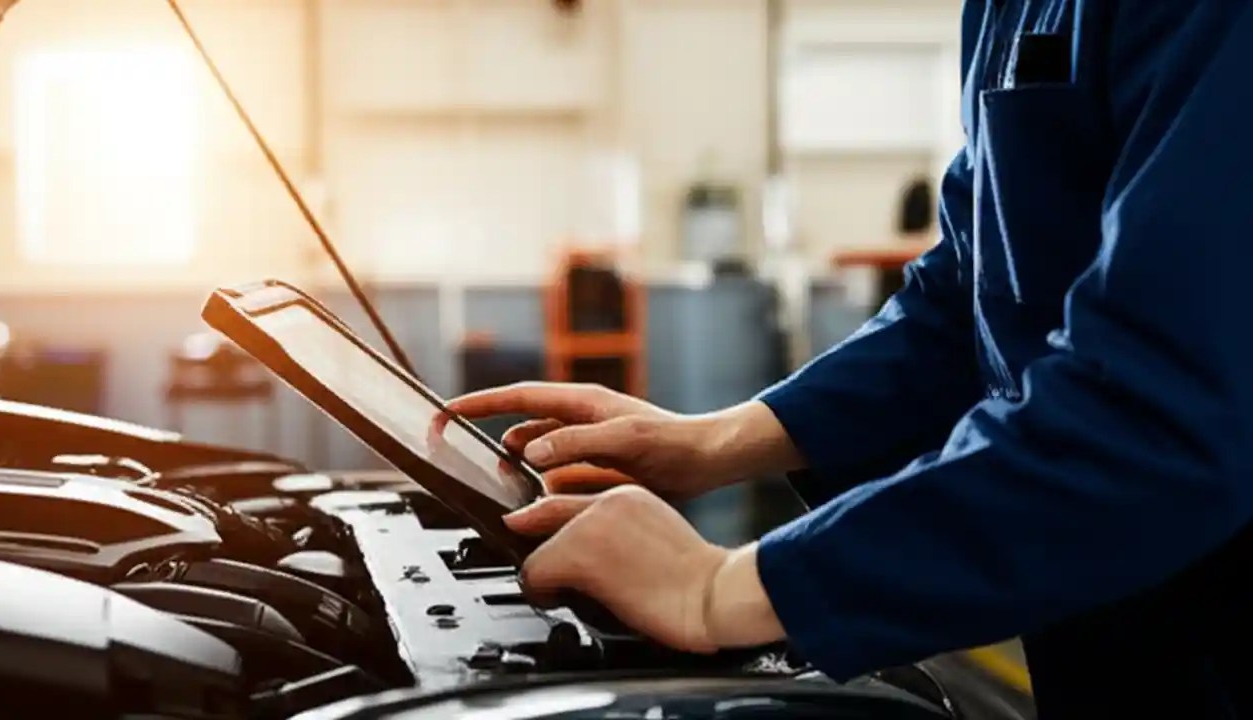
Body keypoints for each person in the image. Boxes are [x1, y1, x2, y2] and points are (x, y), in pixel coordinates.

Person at [449, 2, 1253, 717]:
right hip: (1105, 632)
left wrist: (722, 591)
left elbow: (1163, 405)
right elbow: (968, 296)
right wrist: (715, 441)